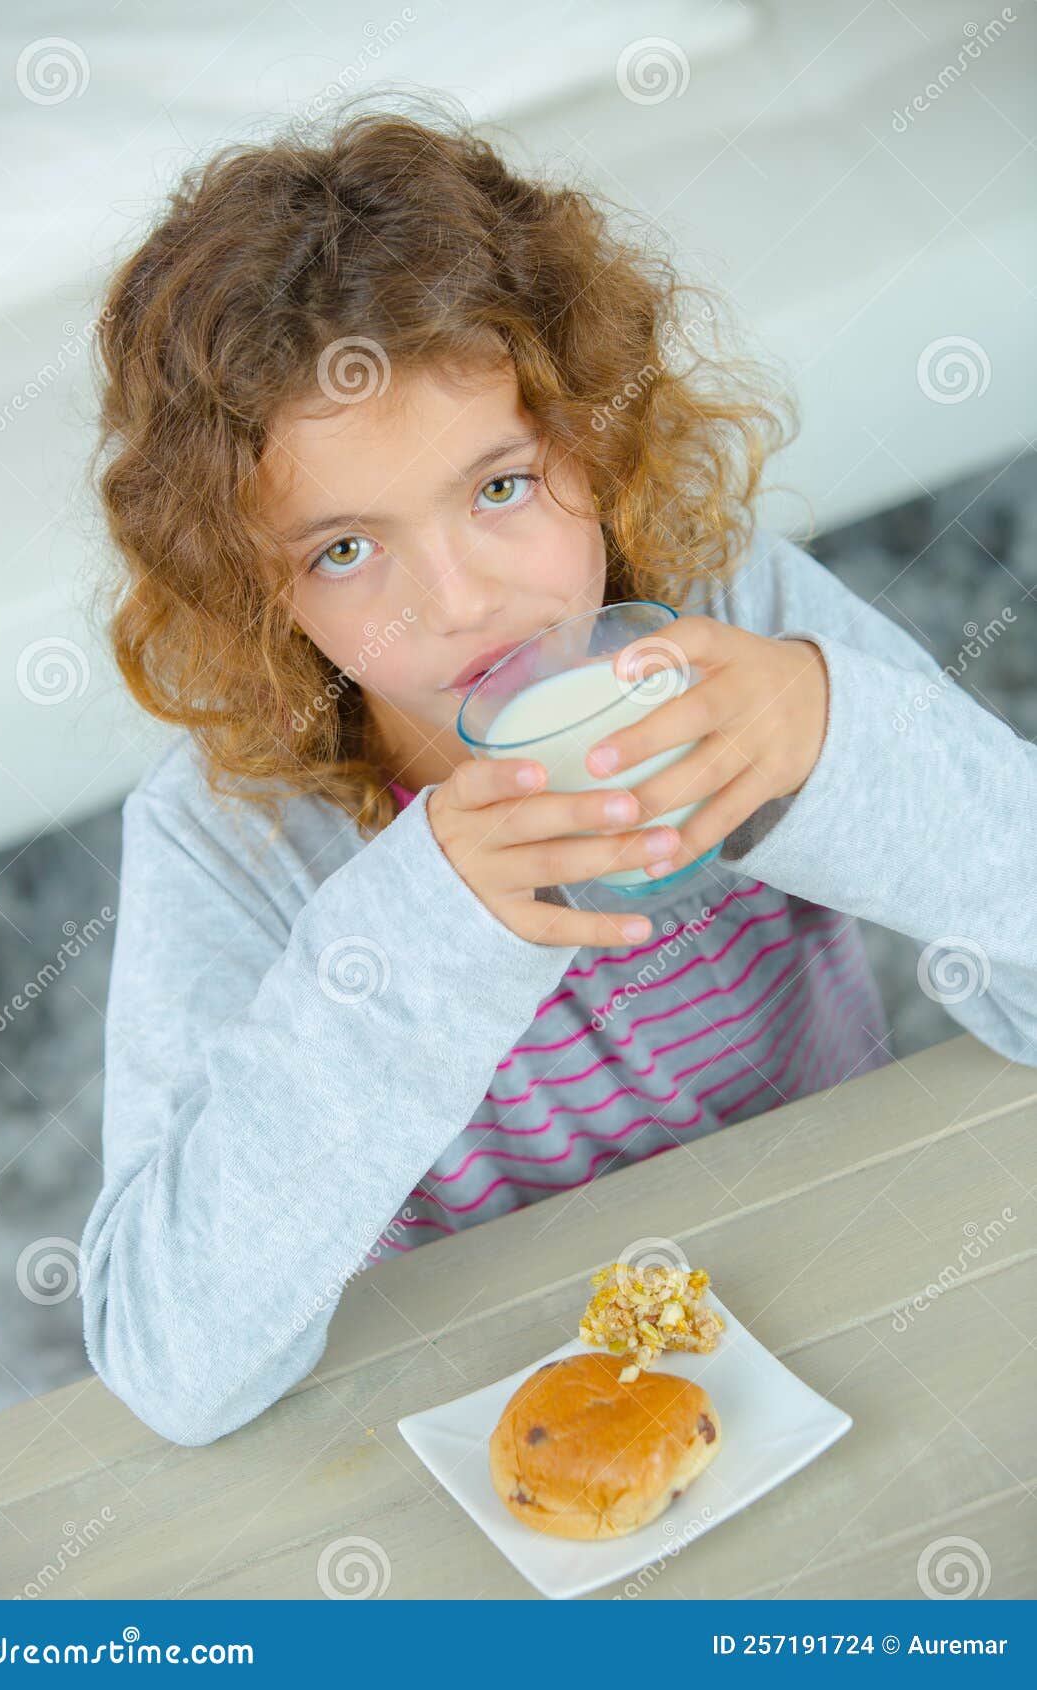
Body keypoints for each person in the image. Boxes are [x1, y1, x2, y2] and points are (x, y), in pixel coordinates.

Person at [78, 102, 1036, 1447]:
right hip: (495, 1419)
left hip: (831, 1322)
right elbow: (174, 1358)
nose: (461, 603)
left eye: (500, 488)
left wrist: (837, 740)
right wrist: (416, 931)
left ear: (591, 437)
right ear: (255, 590)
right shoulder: (229, 834)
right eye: (346, 549)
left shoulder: (730, 611)